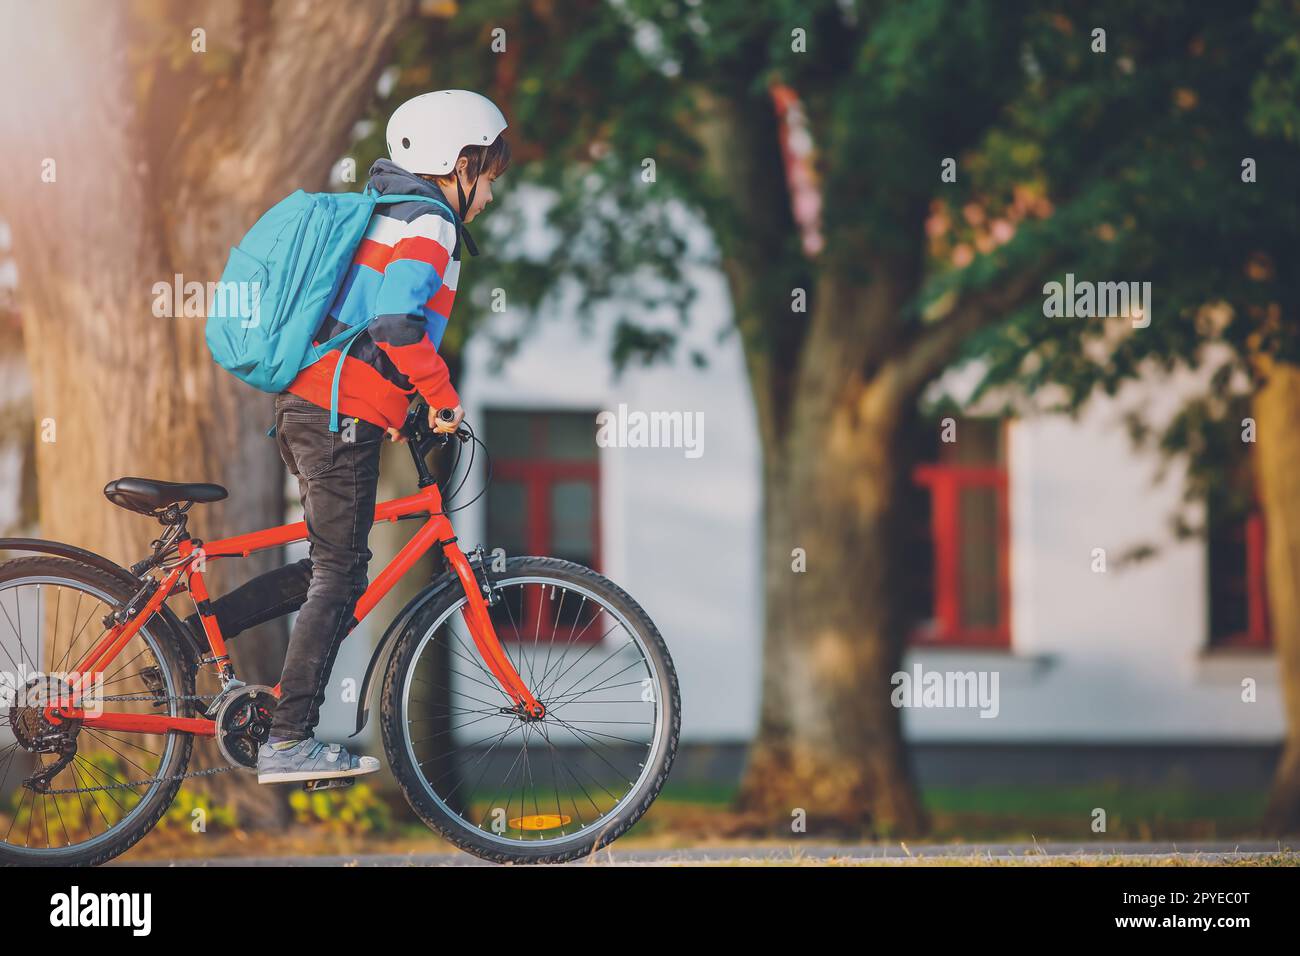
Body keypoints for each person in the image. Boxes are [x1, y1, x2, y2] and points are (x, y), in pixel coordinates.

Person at [189, 90, 511, 784]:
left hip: (313, 407)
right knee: (340, 571)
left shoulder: (386, 214)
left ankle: (181, 637)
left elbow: (372, 325)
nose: (490, 191)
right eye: (489, 174)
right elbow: (396, 321)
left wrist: (404, 407)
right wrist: (442, 399)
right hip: (338, 416)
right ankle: (290, 738)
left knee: (329, 568)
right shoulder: (430, 223)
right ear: (460, 164)